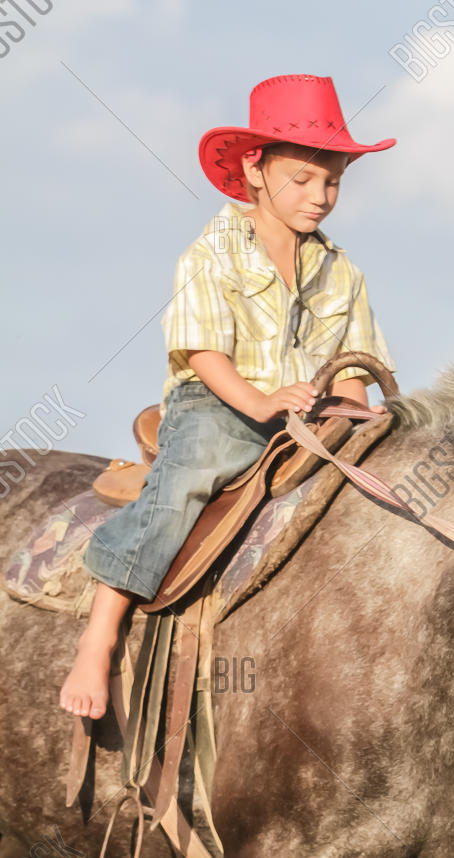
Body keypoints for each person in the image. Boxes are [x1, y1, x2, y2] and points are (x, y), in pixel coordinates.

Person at [59, 73, 396, 718]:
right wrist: (262, 402)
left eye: (333, 182)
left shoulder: (342, 272)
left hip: (307, 416)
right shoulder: (210, 254)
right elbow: (204, 353)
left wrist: (355, 411)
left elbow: (354, 365)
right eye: (303, 179)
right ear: (255, 168)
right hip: (218, 406)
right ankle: (98, 637)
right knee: (186, 482)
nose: (321, 197)